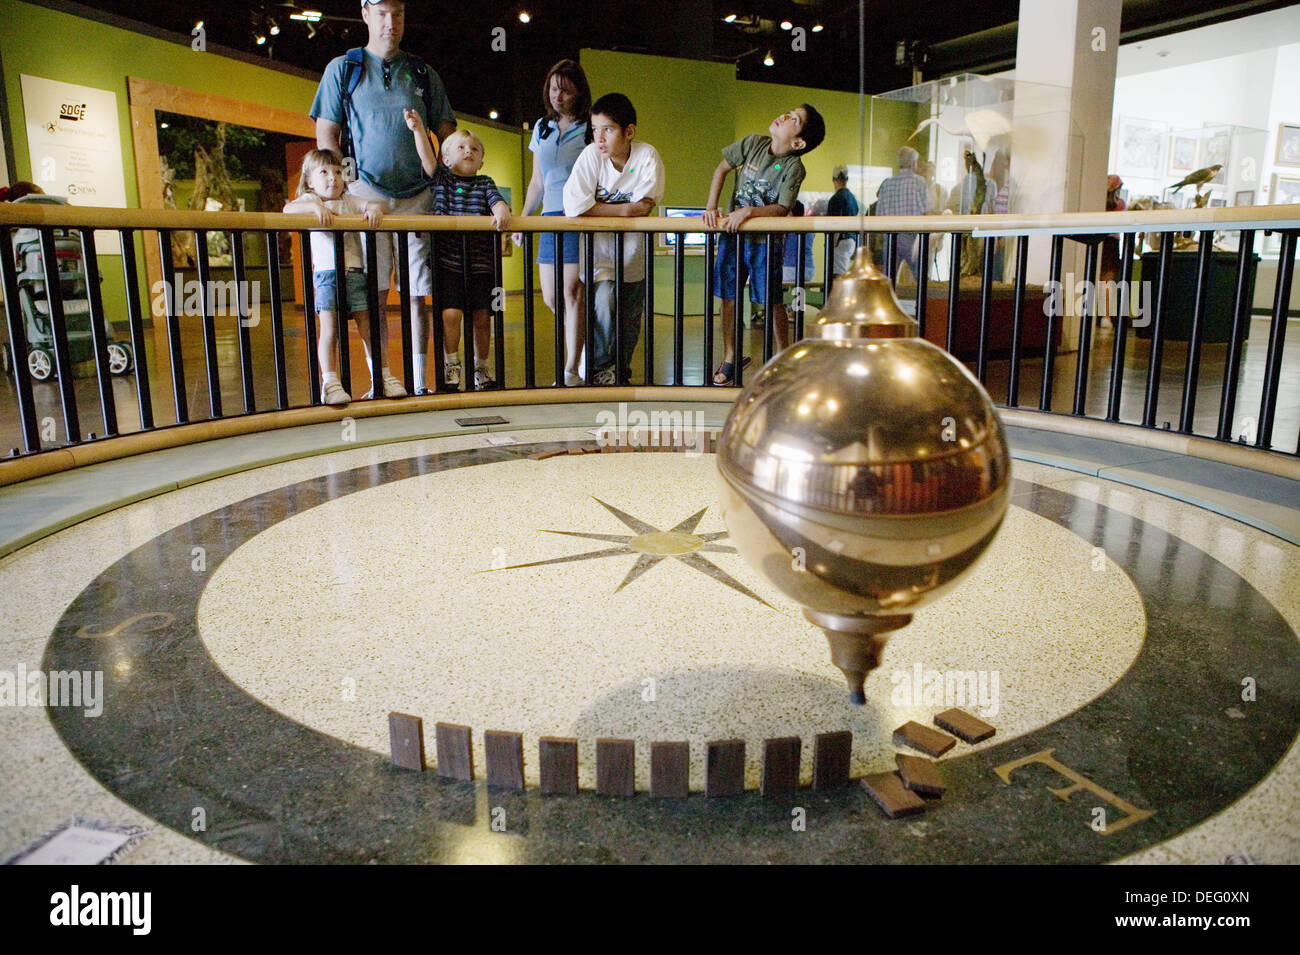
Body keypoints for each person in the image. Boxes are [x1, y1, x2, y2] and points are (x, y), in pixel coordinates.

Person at [309, 0, 457, 396]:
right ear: (364, 13)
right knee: (371, 295)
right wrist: (338, 188)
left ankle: (419, 380)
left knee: (416, 296)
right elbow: (327, 135)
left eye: (399, 13)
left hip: (418, 198)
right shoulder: (343, 69)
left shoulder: (423, 73)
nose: (391, 23)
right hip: (363, 197)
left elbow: (447, 136)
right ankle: (382, 380)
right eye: (382, 13)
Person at [703, 104, 826, 385]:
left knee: (771, 300)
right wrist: (711, 207)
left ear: (798, 142)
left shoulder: (794, 167)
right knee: (729, 297)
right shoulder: (753, 143)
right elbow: (721, 169)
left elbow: (783, 207)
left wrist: (749, 212)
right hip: (733, 237)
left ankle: (783, 358)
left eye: (793, 119)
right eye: (787, 112)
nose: (783, 116)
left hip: (765, 242)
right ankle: (731, 356)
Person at [562, 93, 665, 385]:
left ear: (629, 131)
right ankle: (599, 366)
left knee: (630, 319)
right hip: (598, 255)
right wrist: (625, 209)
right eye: (594, 129)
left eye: (607, 129)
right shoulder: (591, 156)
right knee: (603, 305)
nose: (599, 137)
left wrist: (595, 209)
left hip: (635, 255)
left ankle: (620, 370)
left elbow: (646, 204)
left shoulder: (647, 156)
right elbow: (574, 207)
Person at [407, 117, 511, 390]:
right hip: (448, 263)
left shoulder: (485, 182)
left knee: (482, 316)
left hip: (481, 264)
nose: (468, 151)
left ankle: (481, 368)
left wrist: (500, 209)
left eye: (475, 149)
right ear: (447, 158)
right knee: (450, 315)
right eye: (461, 147)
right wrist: (419, 129)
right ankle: (451, 366)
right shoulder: (442, 178)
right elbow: (428, 160)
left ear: (481, 162)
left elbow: (496, 200)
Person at [283, 148, 391, 405]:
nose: (333, 177)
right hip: (326, 275)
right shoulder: (310, 202)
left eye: (337, 171)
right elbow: (288, 211)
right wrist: (313, 207)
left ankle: (382, 376)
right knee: (329, 328)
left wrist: (374, 209)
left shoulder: (349, 200)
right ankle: (330, 382)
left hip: (355, 271)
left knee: (367, 325)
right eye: (324, 172)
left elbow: (376, 205)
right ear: (309, 180)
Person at [516, 60, 591, 386]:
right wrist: (523, 219)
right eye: (553, 88)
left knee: (572, 292)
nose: (558, 95)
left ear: (578, 91)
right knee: (550, 297)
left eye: (565, 88)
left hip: (576, 216)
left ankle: (571, 369)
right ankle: (583, 341)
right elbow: (538, 181)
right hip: (548, 217)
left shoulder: (590, 128)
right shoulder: (541, 128)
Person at [875, 145, 930, 281]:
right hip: (914, 237)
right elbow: (927, 210)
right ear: (913, 164)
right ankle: (921, 303)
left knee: (889, 280)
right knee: (921, 278)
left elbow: (879, 214)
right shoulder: (919, 182)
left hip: (891, 236)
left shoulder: (887, 184)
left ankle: (888, 303)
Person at [827, 166, 859, 275]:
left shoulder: (835, 199)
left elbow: (835, 225)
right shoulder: (853, 198)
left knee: (838, 275)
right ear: (847, 179)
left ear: (833, 180)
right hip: (851, 241)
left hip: (840, 241)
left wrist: (832, 245)